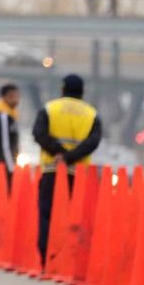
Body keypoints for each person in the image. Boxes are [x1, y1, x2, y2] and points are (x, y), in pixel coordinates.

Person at [32, 74, 102, 262]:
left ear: (62, 89)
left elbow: (39, 134)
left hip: (52, 170)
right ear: (83, 91)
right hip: (78, 173)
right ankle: (72, 259)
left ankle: (47, 257)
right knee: (76, 218)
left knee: (47, 214)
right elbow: (93, 142)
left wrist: (60, 154)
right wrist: (71, 157)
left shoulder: (49, 108)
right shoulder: (92, 114)